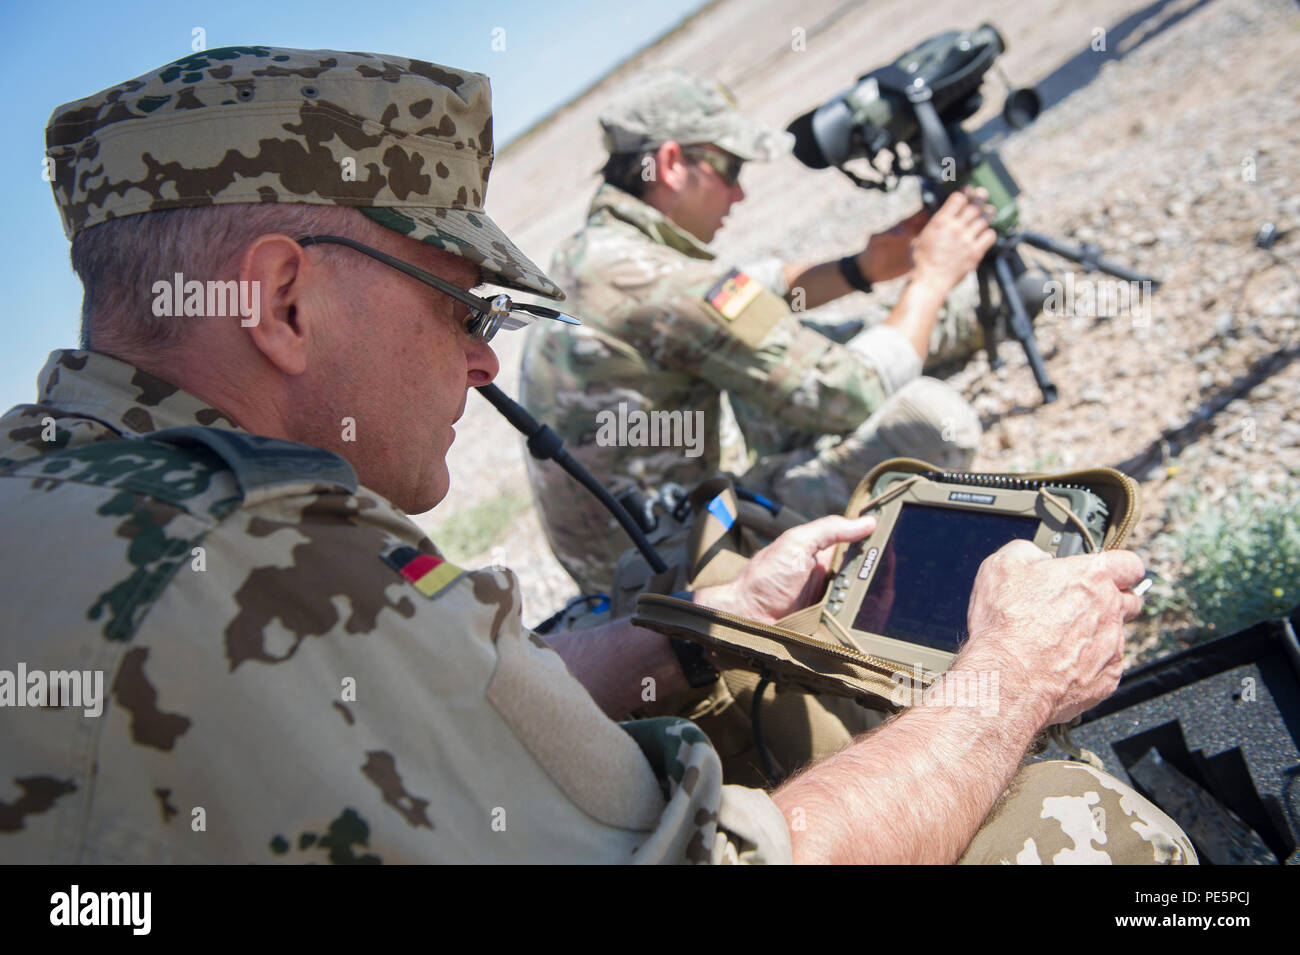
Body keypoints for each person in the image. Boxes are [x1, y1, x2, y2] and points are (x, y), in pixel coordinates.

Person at [0, 47, 1192, 865]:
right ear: (283, 301)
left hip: (677, 570)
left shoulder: (105, 488)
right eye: (466, 311)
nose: (483, 367)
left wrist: (705, 626)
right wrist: (1007, 687)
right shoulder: (238, 559)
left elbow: (429, 692)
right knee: (1072, 818)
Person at [521, 71, 993, 595]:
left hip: (624, 549)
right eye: (731, 168)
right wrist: (932, 279)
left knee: (797, 343)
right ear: (673, 165)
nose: (741, 192)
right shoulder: (656, 279)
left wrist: (861, 267)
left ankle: (959, 327)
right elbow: (848, 392)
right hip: (667, 572)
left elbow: (744, 292)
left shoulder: (595, 252)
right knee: (931, 419)